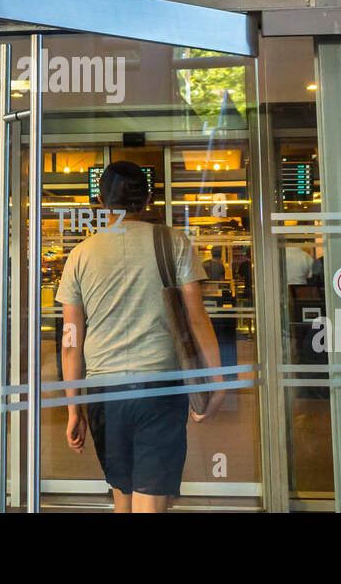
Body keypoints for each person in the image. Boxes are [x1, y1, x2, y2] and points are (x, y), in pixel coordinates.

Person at [58, 161, 225, 513]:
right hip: (159, 389)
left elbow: (70, 342)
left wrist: (75, 408)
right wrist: (218, 380)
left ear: (100, 201)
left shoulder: (79, 255)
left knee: (123, 497)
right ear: (147, 200)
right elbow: (197, 320)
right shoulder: (174, 243)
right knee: (152, 502)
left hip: (105, 393)